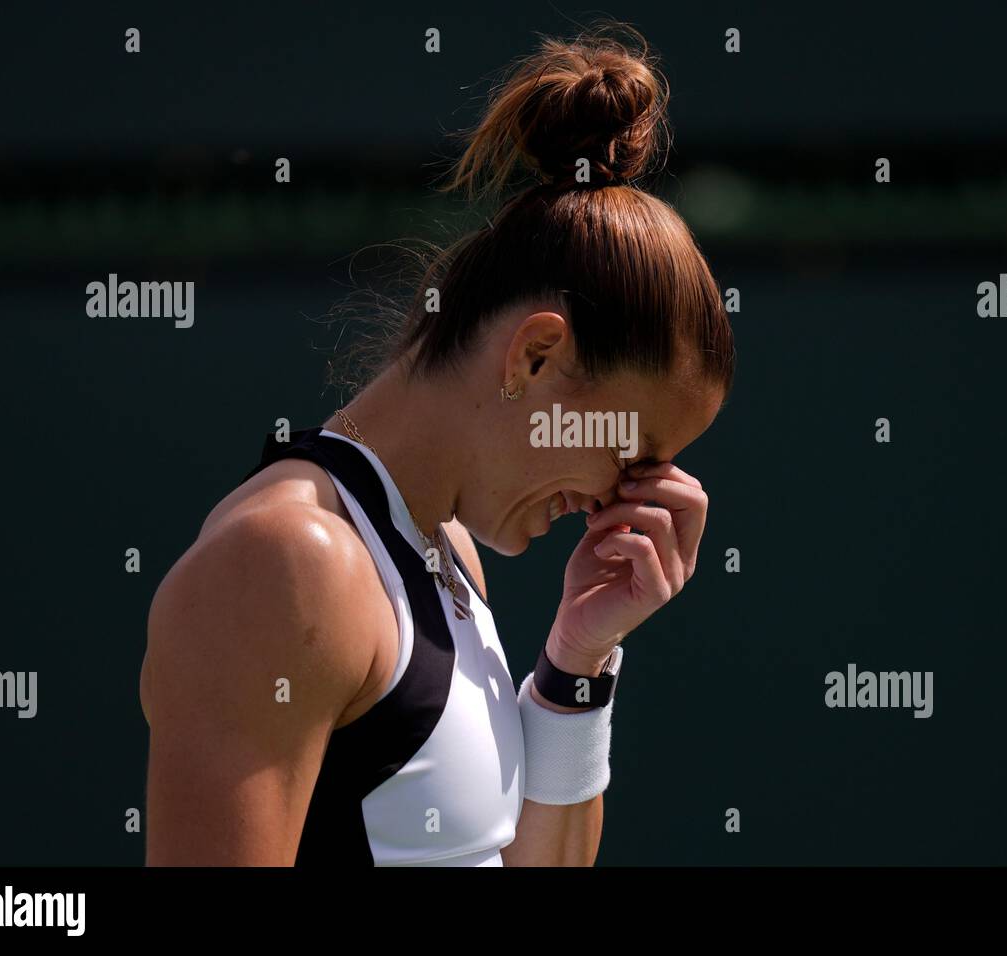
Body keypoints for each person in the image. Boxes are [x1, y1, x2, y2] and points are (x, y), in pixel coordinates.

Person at [140, 23, 735, 866]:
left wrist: (576, 666)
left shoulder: (445, 551)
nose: (621, 499)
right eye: (628, 451)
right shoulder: (289, 563)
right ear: (534, 356)